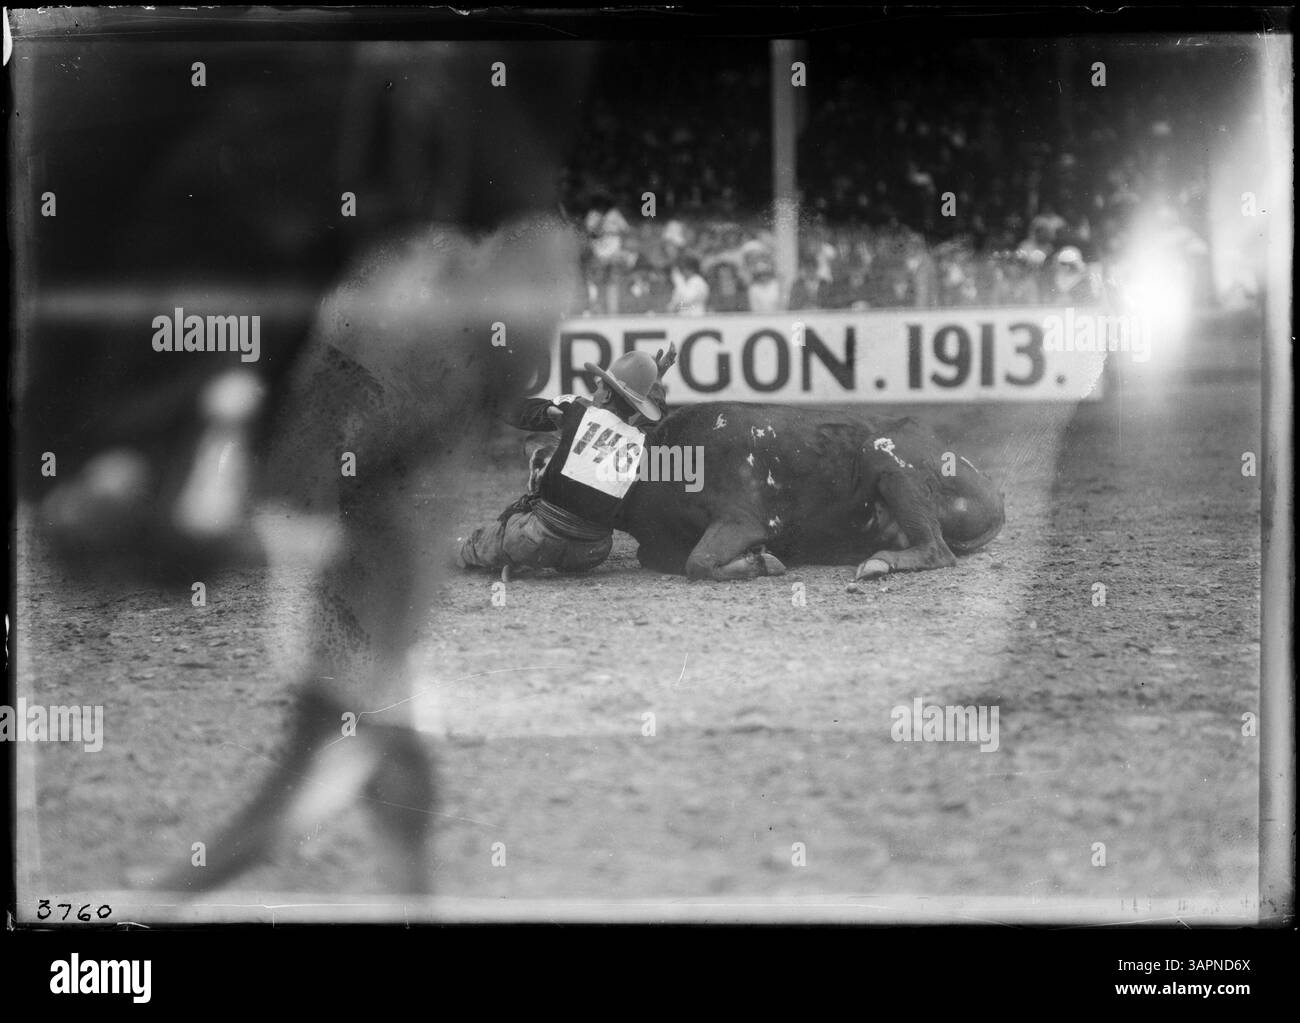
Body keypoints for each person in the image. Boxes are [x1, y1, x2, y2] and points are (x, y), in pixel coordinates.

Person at [459, 347, 675, 576]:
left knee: (471, 548)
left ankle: (486, 554)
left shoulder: (577, 409)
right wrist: (656, 382)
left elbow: (521, 413)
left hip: (535, 536)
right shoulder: (646, 441)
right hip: (592, 552)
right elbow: (659, 423)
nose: (596, 392)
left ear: (609, 395)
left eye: (599, 387)